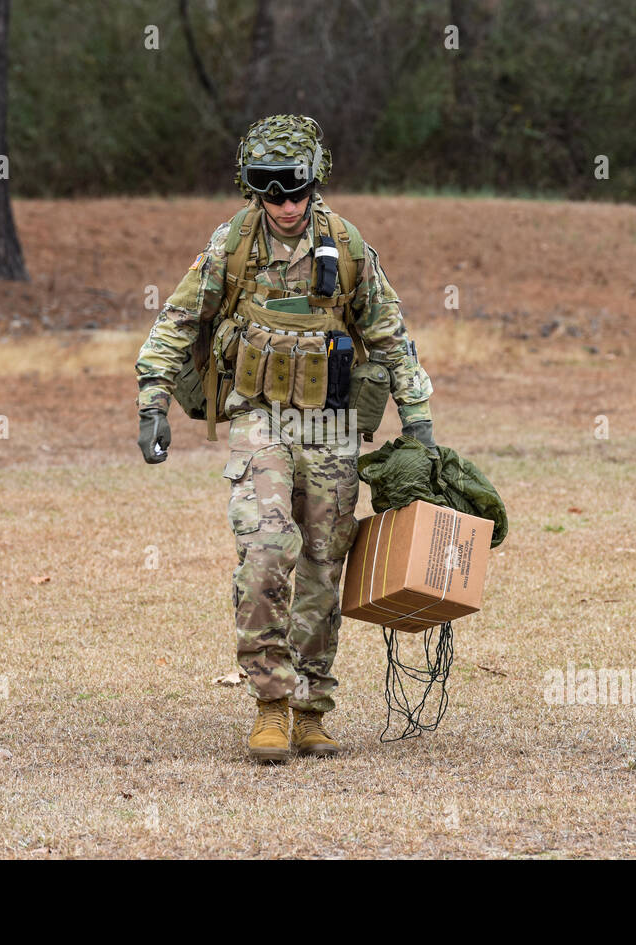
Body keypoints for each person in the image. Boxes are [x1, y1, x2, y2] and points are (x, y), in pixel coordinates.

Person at [133, 114, 435, 762]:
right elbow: (178, 321)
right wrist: (151, 399)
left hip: (329, 427)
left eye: (296, 189)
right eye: (272, 191)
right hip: (261, 420)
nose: (287, 205)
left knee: (324, 568)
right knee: (267, 549)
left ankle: (310, 707)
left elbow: (388, 330)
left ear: (315, 182)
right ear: (253, 189)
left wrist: (418, 418)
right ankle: (270, 701)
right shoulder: (233, 244)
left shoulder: (346, 246)